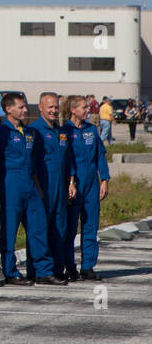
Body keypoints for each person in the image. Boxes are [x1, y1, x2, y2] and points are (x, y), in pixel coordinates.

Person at [0, 92, 62, 285]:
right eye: (21, 107)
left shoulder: (30, 133)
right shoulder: (1, 133)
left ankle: (42, 271)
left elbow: (34, 162)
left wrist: (38, 188)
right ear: (8, 109)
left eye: (25, 107)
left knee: (38, 227)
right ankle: (10, 271)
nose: (25, 110)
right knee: (9, 231)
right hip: (11, 186)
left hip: (31, 186)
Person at [29, 92, 78, 281]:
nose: (54, 111)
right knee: (40, 230)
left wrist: (71, 183)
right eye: (50, 107)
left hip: (60, 187)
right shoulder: (34, 131)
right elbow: (30, 162)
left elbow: (68, 160)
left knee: (60, 227)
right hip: (43, 188)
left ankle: (57, 269)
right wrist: (37, 188)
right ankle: (40, 271)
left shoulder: (62, 132)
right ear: (40, 108)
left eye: (56, 107)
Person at [63, 94, 109, 280]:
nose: (88, 110)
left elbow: (100, 155)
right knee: (71, 228)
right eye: (84, 107)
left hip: (91, 184)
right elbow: (65, 159)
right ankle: (69, 266)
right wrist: (70, 182)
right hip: (74, 184)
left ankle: (88, 266)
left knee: (90, 226)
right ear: (73, 110)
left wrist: (104, 180)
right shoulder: (65, 130)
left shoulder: (91, 129)